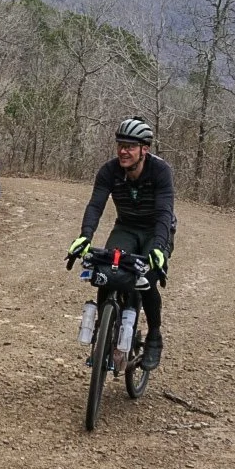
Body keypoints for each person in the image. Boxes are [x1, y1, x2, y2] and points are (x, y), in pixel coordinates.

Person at [66, 118, 175, 369]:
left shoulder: (160, 171)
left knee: (147, 280)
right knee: (106, 270)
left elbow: (164, 213)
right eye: (120, 145)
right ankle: (103, 340)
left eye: (130, 146)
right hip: (126, 227)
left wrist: (159, 246)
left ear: (144, 149)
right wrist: (85, 235)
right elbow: (96, 205)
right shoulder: (109, 171)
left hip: (155, 231)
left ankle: (154, 337)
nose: (123, 151)